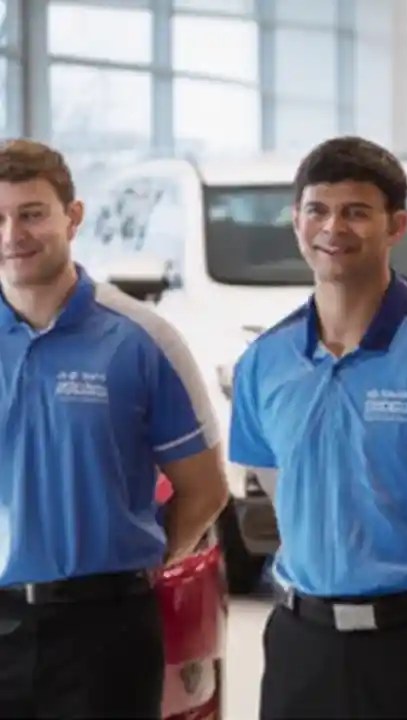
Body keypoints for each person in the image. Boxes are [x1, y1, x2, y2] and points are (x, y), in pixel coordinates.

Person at [227, 136, 407, 719]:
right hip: (301, 642)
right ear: (296, 221)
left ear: (396, 226)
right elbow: (276, 483)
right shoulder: (264, 360)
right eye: (317, 210)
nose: (332, 227)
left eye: (356, 212)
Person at [0, 138, 229, 717]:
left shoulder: (142, 340)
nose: (12, 235)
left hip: (103, 630)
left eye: (31, 214)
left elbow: (205, 488)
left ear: (73, 217)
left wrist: (142, 562)